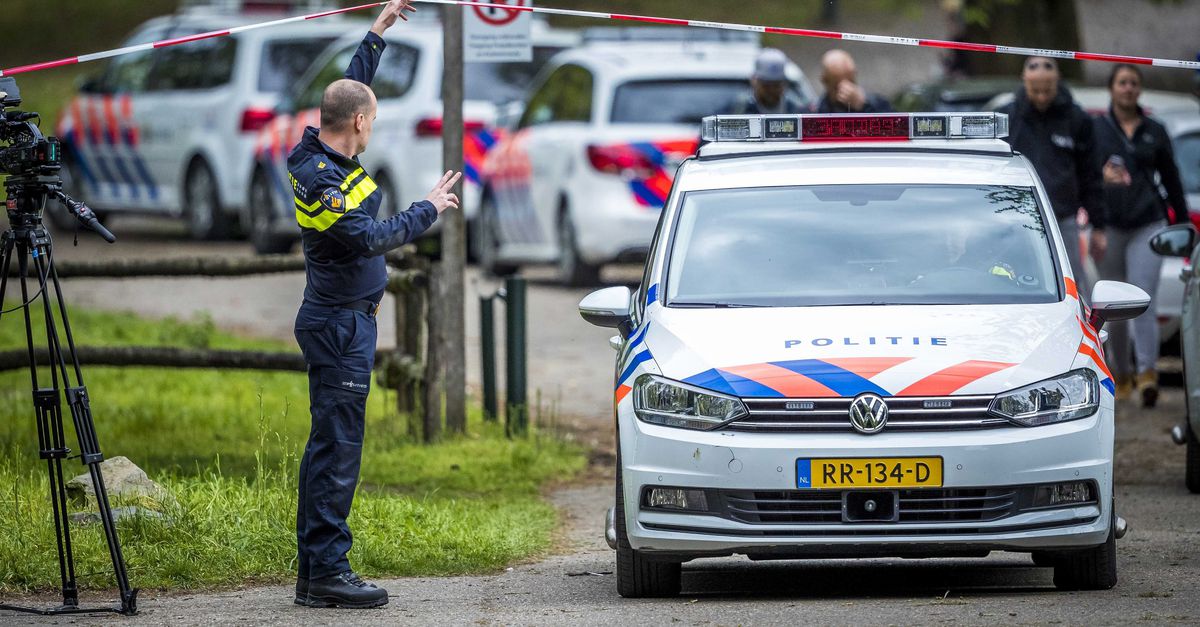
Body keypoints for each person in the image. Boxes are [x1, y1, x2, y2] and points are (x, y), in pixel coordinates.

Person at [289, 0, 463, 609]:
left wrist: (376, 34)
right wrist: (428, 210)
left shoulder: (324, 148)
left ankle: (315, 572)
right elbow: (366, 236)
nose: (374, 126)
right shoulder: (321, 183)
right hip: (339, 328)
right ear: (360, 122)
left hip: (340, 322)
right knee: (337, 451)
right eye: (373, 118)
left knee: (328, 445)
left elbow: (348, 93)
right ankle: (329, 573)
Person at [1093, 63, 1189, 408]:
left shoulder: (1155, 130)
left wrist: (1181, 223)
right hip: (1108, 225)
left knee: (1142, 297)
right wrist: (1100, 181)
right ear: (1112, 89)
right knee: (1114, 304)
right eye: (1122, 83)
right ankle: (1122, 373)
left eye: (1134, 83)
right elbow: (1086, 176)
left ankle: (1148, 373)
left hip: (1148, 223)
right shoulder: (1097, 129)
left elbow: (1172, 178)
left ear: (1140, 90)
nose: (1128, 88)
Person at [997, 56, 1106, 294]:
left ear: (1057, 82)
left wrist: (1098, 225)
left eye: (1047, 89)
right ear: (1024, 81)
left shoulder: (1077, 119)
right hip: (1014, 217)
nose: (1042, 96)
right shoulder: (1007, 118)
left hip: (1063, 216)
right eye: (1036, 89)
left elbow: (1091, 175)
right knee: (1011, 278)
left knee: (1074, 282)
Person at [721, 48, 808, 115]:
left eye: (776, 85)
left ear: (784, 84)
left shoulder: (796, 109)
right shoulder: (738, 109)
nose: (772, 90)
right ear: (754, 81)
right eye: (766, 85)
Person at [814, 49, 894, 114]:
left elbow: (897, 128)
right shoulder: (815, 111)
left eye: (850, 83)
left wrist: (863, 106)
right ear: (824, 80)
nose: (846, 90)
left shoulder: (879, 103)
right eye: (837, 87)